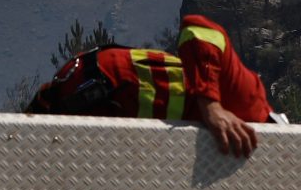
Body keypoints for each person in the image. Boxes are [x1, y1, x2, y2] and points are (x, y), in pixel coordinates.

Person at [28, 12, 276, 157]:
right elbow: (198, 29)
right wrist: (212, 106)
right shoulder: (250, 100)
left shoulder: (243, 141)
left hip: (106, 110)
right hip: (99, 88)